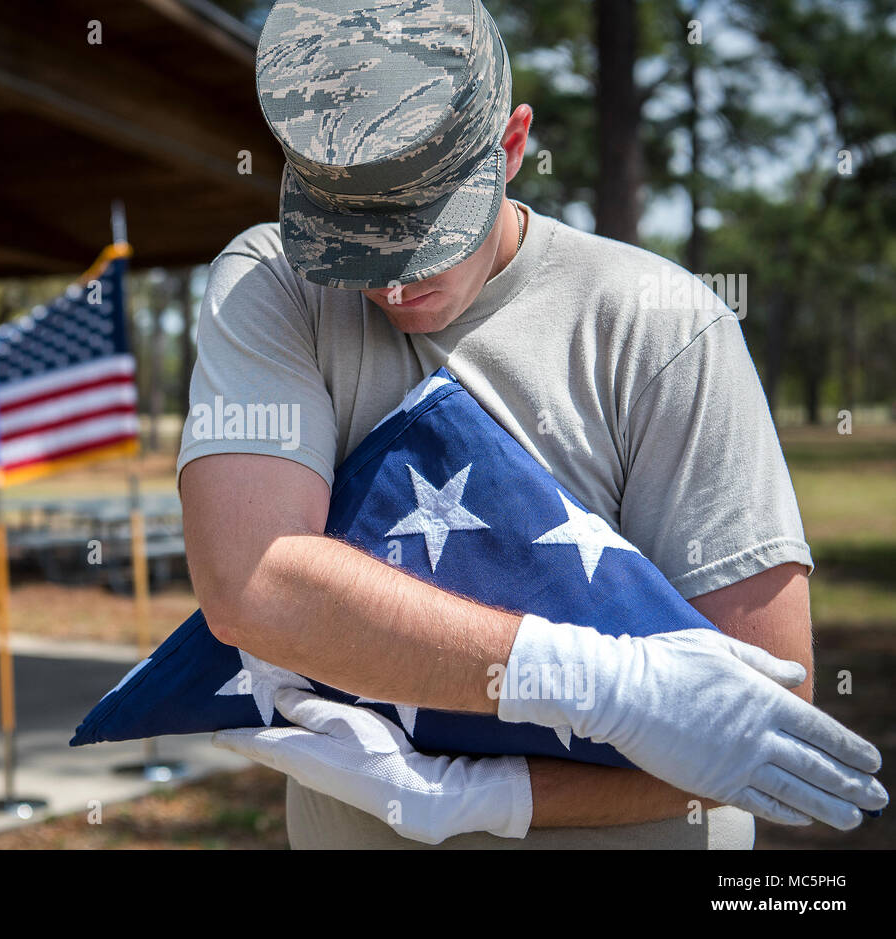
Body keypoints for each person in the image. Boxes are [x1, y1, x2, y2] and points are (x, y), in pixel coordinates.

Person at [176, 0, 887, 848]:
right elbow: (255, 583)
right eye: (351, 243)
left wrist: (490, 795)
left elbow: (761, 721)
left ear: (511, 148)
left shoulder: (661, 325)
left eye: (423, 236)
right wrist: (603, 685)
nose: (392, 285)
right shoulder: (276, 286)